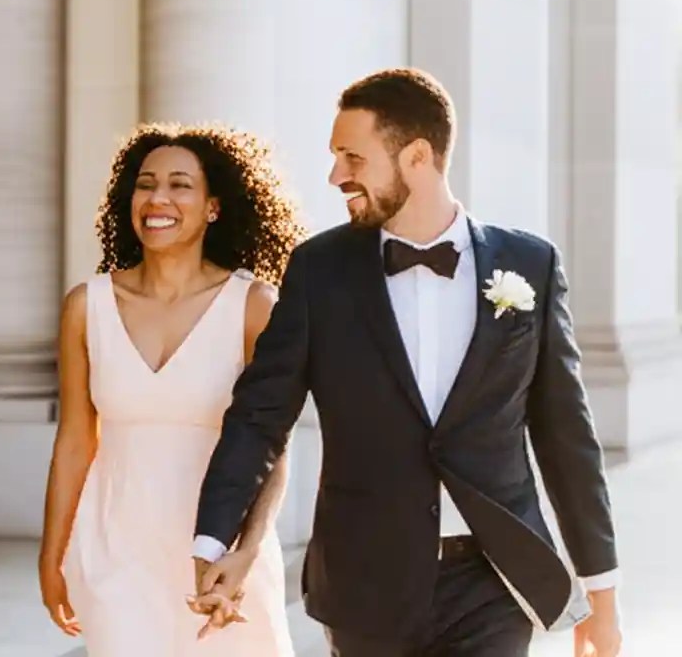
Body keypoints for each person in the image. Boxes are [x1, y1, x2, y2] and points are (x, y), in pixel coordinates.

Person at [191, 67, 623, 656]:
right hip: (365, 580)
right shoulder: (319, 271)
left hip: (493, 581)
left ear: (417, 156)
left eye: (352, 157)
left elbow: (566, 437)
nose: (335, 175)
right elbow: (260, 415)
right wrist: (214, 539)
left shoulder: (531, 265)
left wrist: (602, 595)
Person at [38, 123, 307, 655]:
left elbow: (272, 447)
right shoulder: (84, 307)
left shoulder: (253, 306)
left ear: (213, 206)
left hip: (220, 558)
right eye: (145, 184)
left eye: (180, 185)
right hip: (114, 552)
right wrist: (52, 554)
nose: (157, 198)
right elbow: (74, 441)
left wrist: (247, 551)